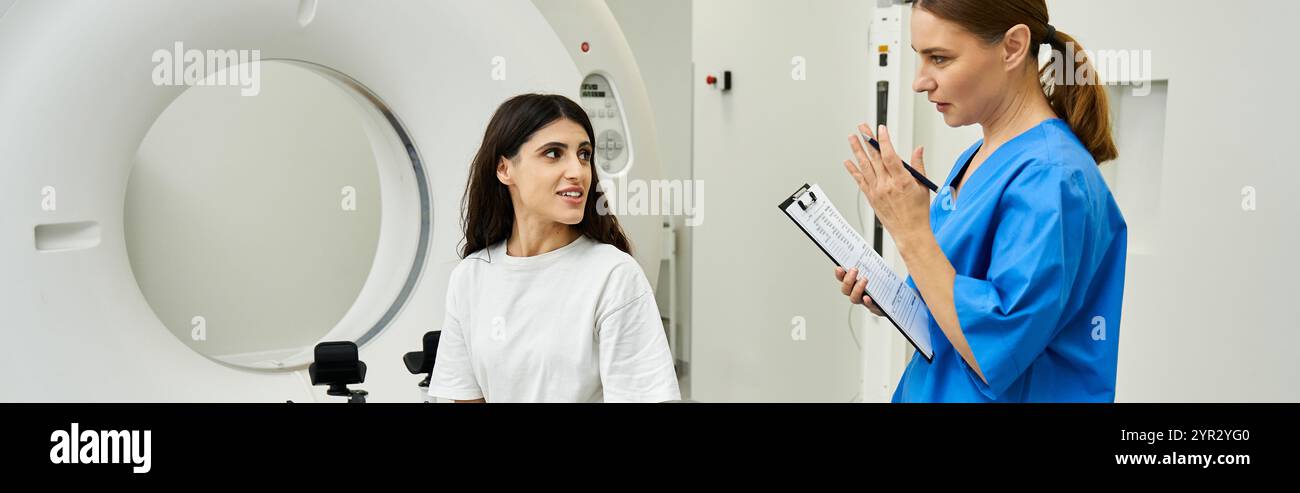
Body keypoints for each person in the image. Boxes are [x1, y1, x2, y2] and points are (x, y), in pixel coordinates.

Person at [836, 0, 1127, 402]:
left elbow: (995, 346)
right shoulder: (979, 156)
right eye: (919, 58)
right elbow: (955, 301)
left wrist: (910, 231)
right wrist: (895, 301)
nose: (920, 81)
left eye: (939, 58)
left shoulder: (1052, 176)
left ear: (1012, 47)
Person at [429, 94, 680, 403]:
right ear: (504, 168)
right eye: (553, 153)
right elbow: (466, 398)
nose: (577, 170)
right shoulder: (471, 276)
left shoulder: (614, 276)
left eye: (584, 154)